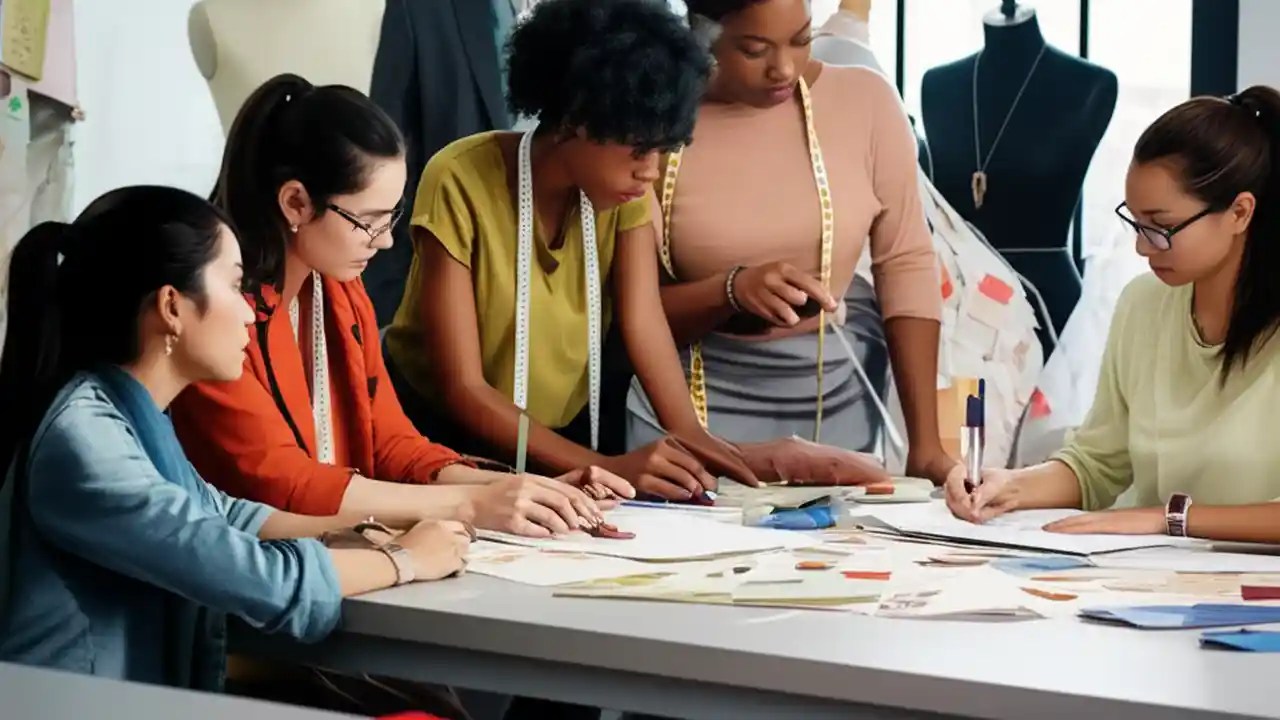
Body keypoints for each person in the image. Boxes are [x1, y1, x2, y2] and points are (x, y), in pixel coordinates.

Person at [0, 186, 470, 692]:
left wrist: (382, 525)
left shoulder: (128, 411)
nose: (250, 311)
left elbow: (225, 516)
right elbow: (254, 576)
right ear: (171, 307)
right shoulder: (86, 440)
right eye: (234, 285)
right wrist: (405, 561)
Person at [170, 73, 628, 539]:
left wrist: (521, 487)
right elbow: (281, 481)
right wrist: (471, 502)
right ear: (296, 203)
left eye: (392, 217)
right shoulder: (216, 318)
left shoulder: (338, 293)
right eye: (368, 222)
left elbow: (390, 443)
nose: (386, 240)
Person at [385, 0, 799, 502]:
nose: (650, 171)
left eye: (663, 150)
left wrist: (696, 438)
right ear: (578, 118)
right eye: (638, 149)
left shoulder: (622, 196)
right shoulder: (459, 178)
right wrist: (607, 467)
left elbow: (643, 321)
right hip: (438, 433)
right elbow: (464, 389)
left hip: (557, 434)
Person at [625, 0, 959, 486]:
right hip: (682, 403)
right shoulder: (650, 120)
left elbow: (905, 262)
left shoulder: (866, 103)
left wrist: (926, 446)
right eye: (755, 49)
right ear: (700, 33)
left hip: (836, 395)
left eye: (802, 39)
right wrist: (730, 292)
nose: (783, 68)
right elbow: (627, 315)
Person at [946, 87, 1280, 545]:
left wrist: (1169, 518)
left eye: (1161, 228)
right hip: (1152, 577)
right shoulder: (1143, 305)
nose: (1143, 247)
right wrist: (1008, 485)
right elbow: (1096, 463)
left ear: (1240, 212)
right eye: (1136, 223)